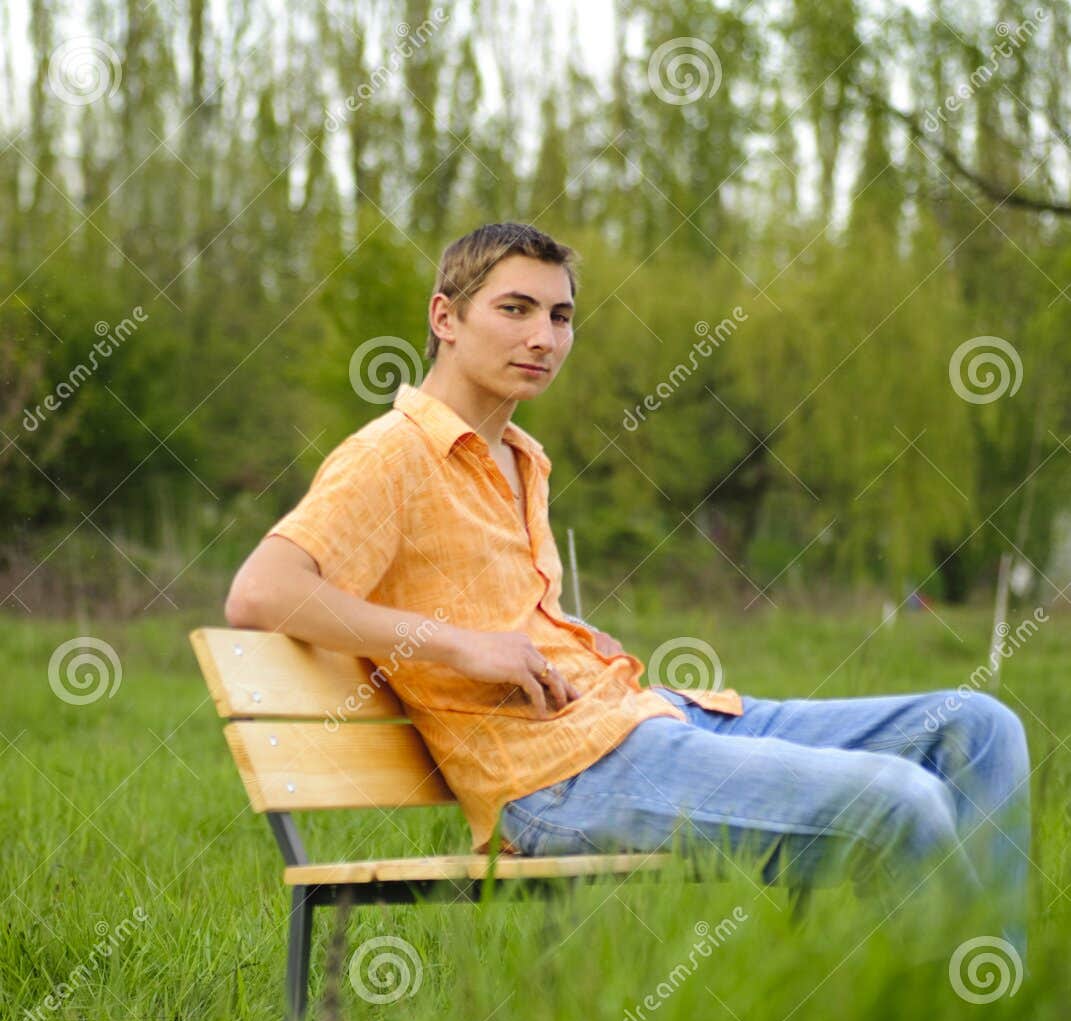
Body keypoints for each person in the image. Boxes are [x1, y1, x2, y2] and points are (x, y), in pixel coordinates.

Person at [224, 220, 1031, 955]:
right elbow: (260, 592)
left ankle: (994, 997)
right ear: (446, 317)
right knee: (898, 801)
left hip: (644, 718)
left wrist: (567, 635)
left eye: (560, 316)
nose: (542, 337)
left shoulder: (518, 456)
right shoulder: (391, 454)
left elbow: (483, 594)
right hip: (557, 779)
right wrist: (463, 647)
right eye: (514, 309)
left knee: (977, 729)